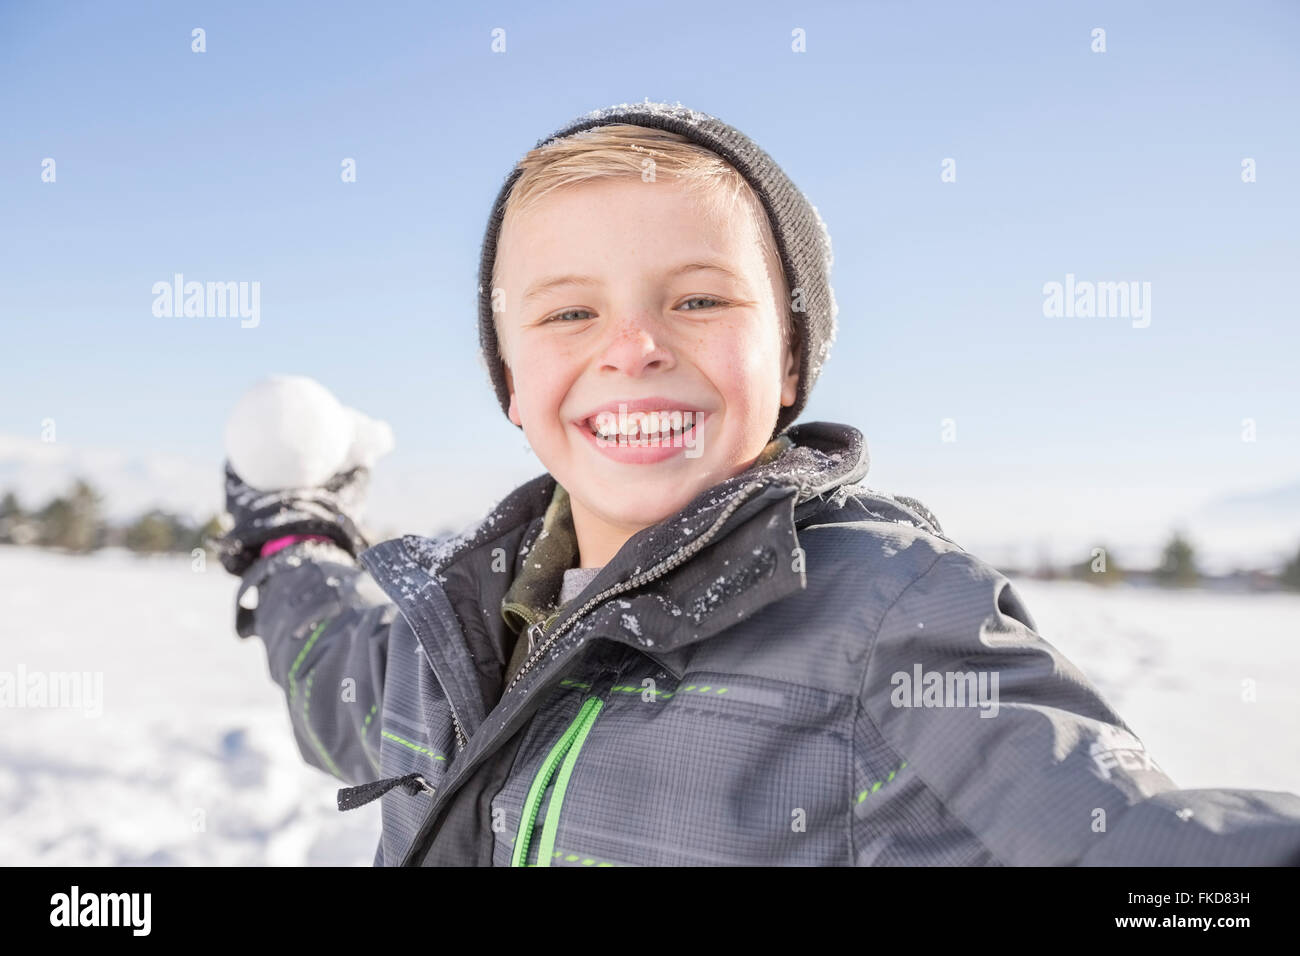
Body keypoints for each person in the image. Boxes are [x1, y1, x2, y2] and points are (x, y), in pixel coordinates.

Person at [217, 100, 1300, 866]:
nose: (632, 345)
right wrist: (290, 543)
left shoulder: (888, 614)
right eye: (567, 311)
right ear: (511, 380)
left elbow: (1118, 837)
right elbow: (341, 680)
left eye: (696, 299)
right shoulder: (457, 616)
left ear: (788, 359)